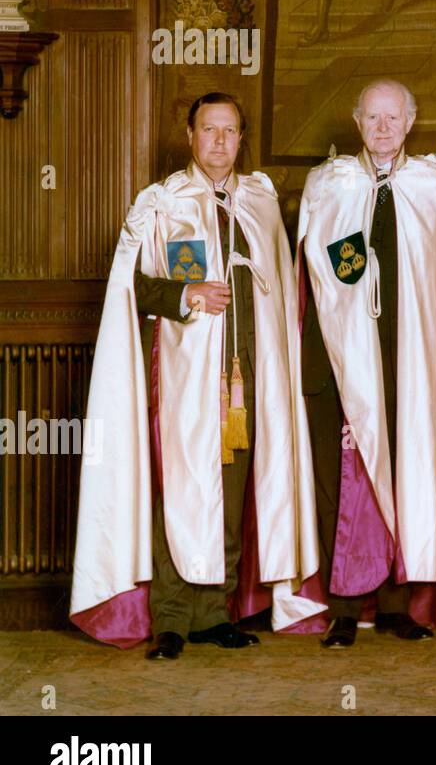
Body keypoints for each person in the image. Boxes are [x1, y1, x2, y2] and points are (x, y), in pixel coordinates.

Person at [70, 93, 323, 659]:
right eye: (208, 130)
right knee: (181, 491)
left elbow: (281, 287)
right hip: (185, 376)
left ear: (240, 138)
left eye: (229, 132)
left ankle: (216, 611)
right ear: (190, 135)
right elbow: (131, 287)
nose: (219, 142)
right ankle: (172, 618)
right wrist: (184, 292)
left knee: (232, 490)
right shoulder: (163, 204)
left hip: (249, 374)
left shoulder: (258, 201)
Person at [297, 80, 436, 648]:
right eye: (373, 117)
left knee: (409, 474)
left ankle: (396, 605)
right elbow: (310, 280)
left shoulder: (431, 187)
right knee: (342, 480)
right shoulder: (328, 183)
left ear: (410, 122)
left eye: (394, 118)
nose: (383, 128)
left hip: (410, 358)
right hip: (338, 357)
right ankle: (344, 606)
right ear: (356, 119)